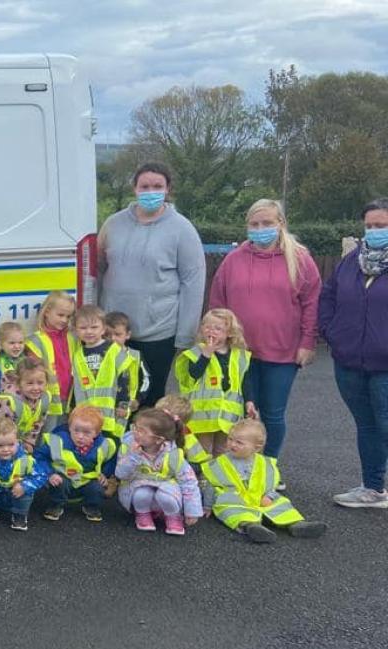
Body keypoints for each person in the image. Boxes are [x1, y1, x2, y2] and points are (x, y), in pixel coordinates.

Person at [208, 199, 320, 463]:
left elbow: (311, 304)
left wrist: (307, 342)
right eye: (254, 224)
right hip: (238, 351)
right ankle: (238, 465)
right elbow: (217, 302)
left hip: (282, 351)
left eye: (267, 223)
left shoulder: (300, 260)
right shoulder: (233, 260)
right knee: (239, 411)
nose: (261, 228)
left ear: (280, 224)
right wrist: (214, 339)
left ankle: (269, 467)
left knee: (272, 413)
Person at [98, 162, 206, 407]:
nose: (151, 191)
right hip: (113, 331)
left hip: (158, 333)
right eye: (144, 186)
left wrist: (185, 336)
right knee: (112, 396)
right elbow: (98, 268)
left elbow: (193, 282)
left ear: (168, 189)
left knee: (147, 399)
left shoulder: (182, 229)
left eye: (157, 186)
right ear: (134, 189)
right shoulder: (113, 224)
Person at [321, 198, 388, 508]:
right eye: (370, 225)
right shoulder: (350, 263)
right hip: (349, 360)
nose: (375, 231)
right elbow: (329, 296)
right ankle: (373, 488)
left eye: (382, 225)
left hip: (384, 364)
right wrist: (330, 331)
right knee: (368, 425)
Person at [201, 419, 326, 544]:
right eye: (230, 439)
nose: (232, 444)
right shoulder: (218, 464)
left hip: (262, 498)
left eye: (239, 442)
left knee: (281, 505)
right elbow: (211, 486)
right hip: (234, 501)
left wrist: (270, 496)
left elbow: (272, 484)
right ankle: (250, 527)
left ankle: (296, 524)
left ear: (257, 447)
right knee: (233, 512)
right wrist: (207, 506)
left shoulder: (265, 463)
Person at [173, 309, 256, 456]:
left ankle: (218, 478)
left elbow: (245, 381)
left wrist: (249, 402)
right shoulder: (196, 352)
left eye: (218, 328)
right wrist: (206, 355)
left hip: (228, 416)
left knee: (224, 450)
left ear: (229, 333)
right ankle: (201, 477)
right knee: (202, 451)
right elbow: (194, 374)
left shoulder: (239, 355)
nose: (212, 331)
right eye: (208, 327)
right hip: (203, 416)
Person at [115, 408, 203, 536]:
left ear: (158, 440)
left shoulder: (173, 455)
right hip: (137, 488)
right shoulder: (128, 446)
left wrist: (192, 511)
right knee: (141, 494)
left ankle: (173, 516)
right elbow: (120, 474)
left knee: (166, 497)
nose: (135, 432)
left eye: (141, 430)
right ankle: (142, 513)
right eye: (135, 427)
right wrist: (133, 456)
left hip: (166, 491)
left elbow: (188, 481)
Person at [34, 406, 116, 523]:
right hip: (63, 478)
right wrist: (50, 473)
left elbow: (111, 459)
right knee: (59, 483)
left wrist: (105, 474)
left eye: (86, 433)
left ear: (97, 433)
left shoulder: (105, 445)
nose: (80, 436)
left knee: (97, 487)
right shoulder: (57, 441)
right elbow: (39, 457)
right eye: (76, 430)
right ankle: (55, 505)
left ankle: (91, 506)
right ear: (69, 427)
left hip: (87, 481)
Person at [0, 418, 48, 531]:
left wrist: (24, 486)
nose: (6, 449)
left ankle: (19, 516)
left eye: (11, 444)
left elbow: (40, 475)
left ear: (17, 441)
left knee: (27, 492)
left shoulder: (25, 459)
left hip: (16, 493)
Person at [69, 304, 130, 438]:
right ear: (76, 331)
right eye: (83, 328)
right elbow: (77, 386)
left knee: (111, 447)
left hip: (111, 415)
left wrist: (123, 404)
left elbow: (125, 377)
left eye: (94, 327)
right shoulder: (77, 355)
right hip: (86, 418)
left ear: (103, 329)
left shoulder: (114, 350)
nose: (89, 332)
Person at [26, 290, 76, 422]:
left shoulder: (73, 338)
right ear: (47, 312)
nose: (64, 320)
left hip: (70, 399)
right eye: (60, 315)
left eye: (68, 316)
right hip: (46, 401)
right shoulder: (35, 340)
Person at [0, 357, 52, 454]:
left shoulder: (44, 399)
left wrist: (28, 442)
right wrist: (14, 449)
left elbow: (37, 423)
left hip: (14, 437)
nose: (36, 388)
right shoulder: (9, 402)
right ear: (19, 382)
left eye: (40, 383)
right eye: (30, 383)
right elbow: (1, 430)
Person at [104, 311, 149, 416]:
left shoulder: (135, 355)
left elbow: (146, 380)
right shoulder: (100, 355)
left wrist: (138, 399)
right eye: (107, 335)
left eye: (118, 334)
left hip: (126, 408)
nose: (112, 339)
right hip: (104, 407)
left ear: (128, 335)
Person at [0, 321, 26, 395]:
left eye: (20, 342)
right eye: (12, 343)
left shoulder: (26, 361)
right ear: (0, 344)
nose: (17, 346)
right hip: (5, 398)